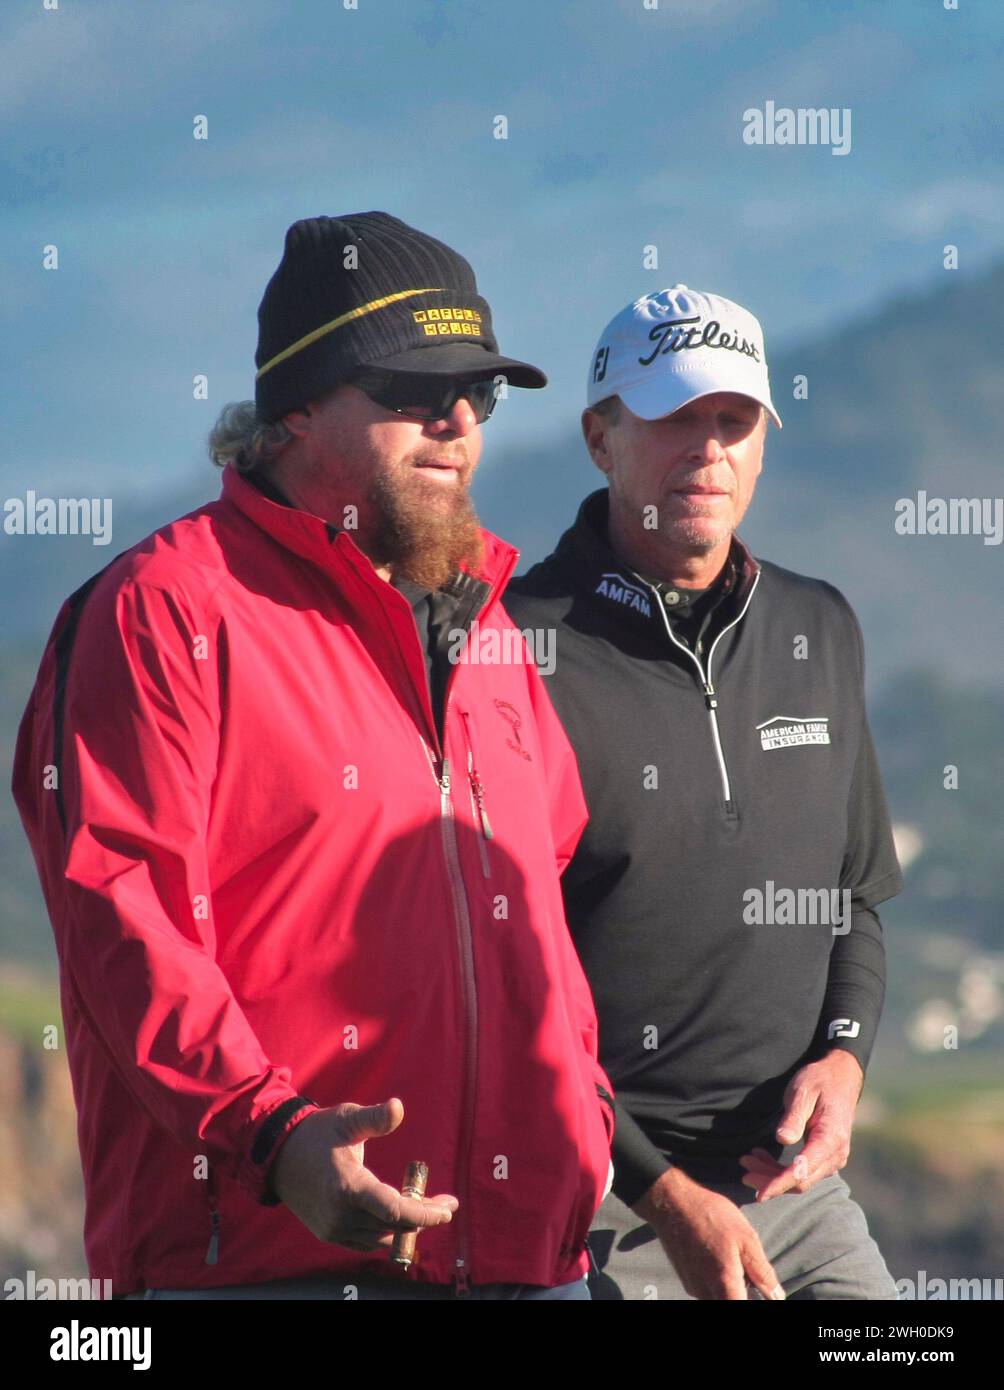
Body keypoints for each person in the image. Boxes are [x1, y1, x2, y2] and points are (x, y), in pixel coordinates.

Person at [11, 211, 615, 1301]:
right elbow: (121, 915)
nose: (454, 419)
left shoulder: (487, 632)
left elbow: (546, 900)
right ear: (291, 408)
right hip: (266, 1261)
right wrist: (274, 1134)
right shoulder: (163, 610)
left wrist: (587, 1119)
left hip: (532, 1264)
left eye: (478, 391)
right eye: (409, 390)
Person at [505, 285, 903, 1301]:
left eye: (731, 421)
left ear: (761, 444)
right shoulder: (510, 649)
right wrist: (660, 1189)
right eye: (674, 417)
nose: (708, 448)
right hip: (600, 1204)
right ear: (599, 438)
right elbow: (500, 977)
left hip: (794, 1198)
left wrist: (844, 1058)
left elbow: (851, 893)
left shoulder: (818, 626)